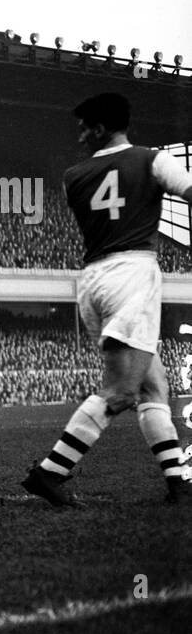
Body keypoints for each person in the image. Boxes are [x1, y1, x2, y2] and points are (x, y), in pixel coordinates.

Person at [22, 92, 192, 507]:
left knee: (154, 387)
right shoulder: (151, 160)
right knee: (120, 392)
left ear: (101, 128)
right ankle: (49, 473)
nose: (80, 136)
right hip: (132, 276)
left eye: (84, 127)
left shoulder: (73, 177)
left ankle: (177, 483)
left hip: (92, 281)